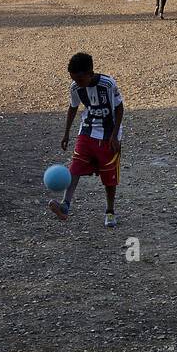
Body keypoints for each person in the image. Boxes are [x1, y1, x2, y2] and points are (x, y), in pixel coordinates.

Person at [50, 52, 124, 228]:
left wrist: (115, 136)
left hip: (108, 134)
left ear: (90, 73)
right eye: (73, 79)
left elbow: (120, 109)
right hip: (87, 130)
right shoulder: (75, 87)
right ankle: (65, 205)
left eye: (80, 79)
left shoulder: (108, 84)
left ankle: (110, 211)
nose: (77, 83)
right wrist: (66, 132)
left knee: (108, 176)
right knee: (75, 167)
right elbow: (73, 107)